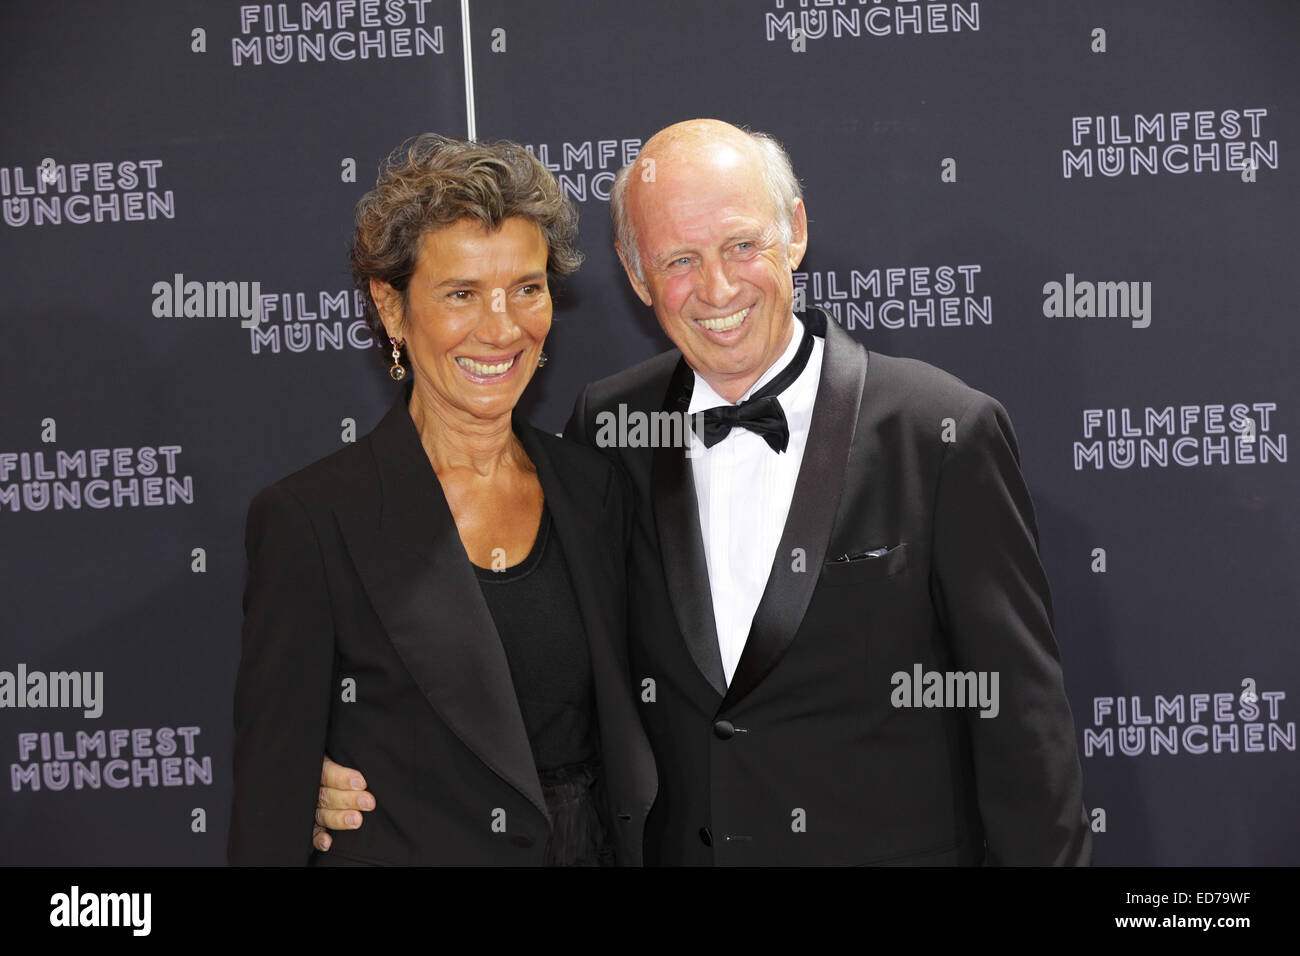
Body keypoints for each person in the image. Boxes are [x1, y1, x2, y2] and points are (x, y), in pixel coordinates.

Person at [312, 119, 1092, 865]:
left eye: (742, 245)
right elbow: (532, 667)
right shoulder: (608, 430)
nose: (715, 288)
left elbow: (1025, 735)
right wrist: (352, 768)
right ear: (635, 273)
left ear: (796, 231)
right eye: (679, 259)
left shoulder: (940, 431)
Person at [227, 134, 656, 866]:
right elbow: (270, 810)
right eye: (460, 294)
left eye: (526, 287)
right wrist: (303, 790)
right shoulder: (313, 521)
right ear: (391, 310)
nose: (501, 327)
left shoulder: (597, 490)